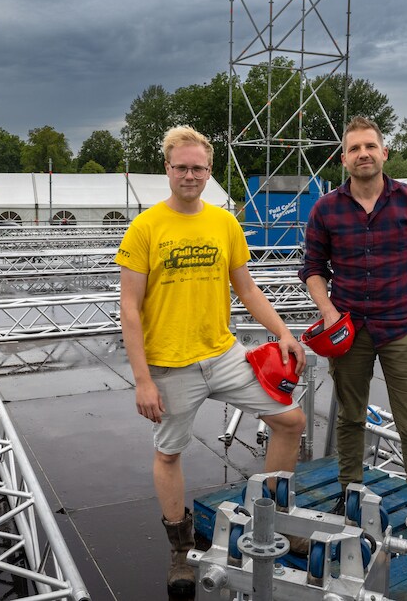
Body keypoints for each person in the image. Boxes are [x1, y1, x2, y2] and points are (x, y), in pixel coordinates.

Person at [116, 125, 308, 595]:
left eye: (198, 167)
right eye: (180, 166)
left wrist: (283, 332)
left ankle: (270, 518)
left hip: (223, 354)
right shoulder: (146, 227)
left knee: (290, 421)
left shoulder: (224, 223)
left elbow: (247, 288)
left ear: (208, 171)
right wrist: (142, 380)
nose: (189, 174)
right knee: (169, 452)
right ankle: (180, 550)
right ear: (167, 168)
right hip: (171, 365)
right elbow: (129, 308)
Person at [298, 115, 407, 553]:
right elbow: (312, 269)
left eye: (370, 146)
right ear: (343, 158)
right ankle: (351, 495)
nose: (363, 154)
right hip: (349, 331)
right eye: (354, 148)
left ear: (384, 152)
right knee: (350, 416)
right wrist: (327, 310)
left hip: (402, 326)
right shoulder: (326, 208)